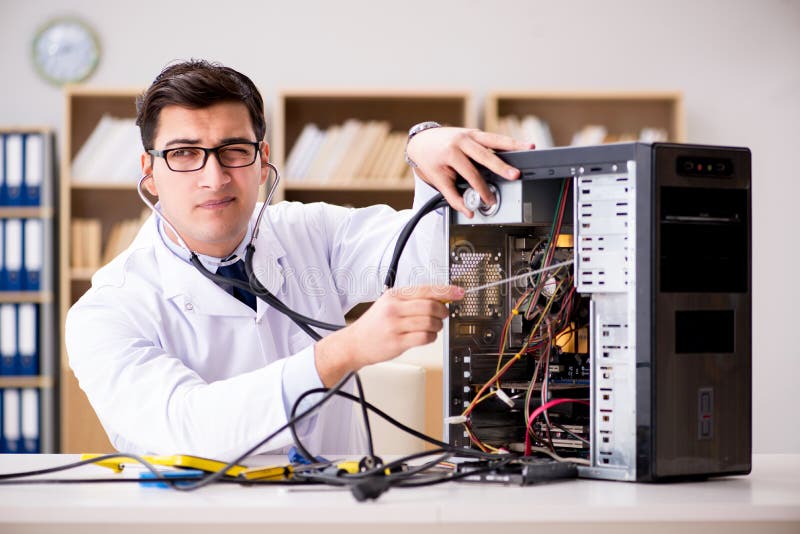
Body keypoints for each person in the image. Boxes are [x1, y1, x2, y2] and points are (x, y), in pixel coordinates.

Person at [65, 59, 529, 460]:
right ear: (149, 173)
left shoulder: (309, 232)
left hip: (336, 511)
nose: (215, 176)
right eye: (185, 153)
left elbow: (426, 268)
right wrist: (341, 351)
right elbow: (188, 428)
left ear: (262, 159)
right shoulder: (107, 310)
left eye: (233, 151)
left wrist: (424, 153)